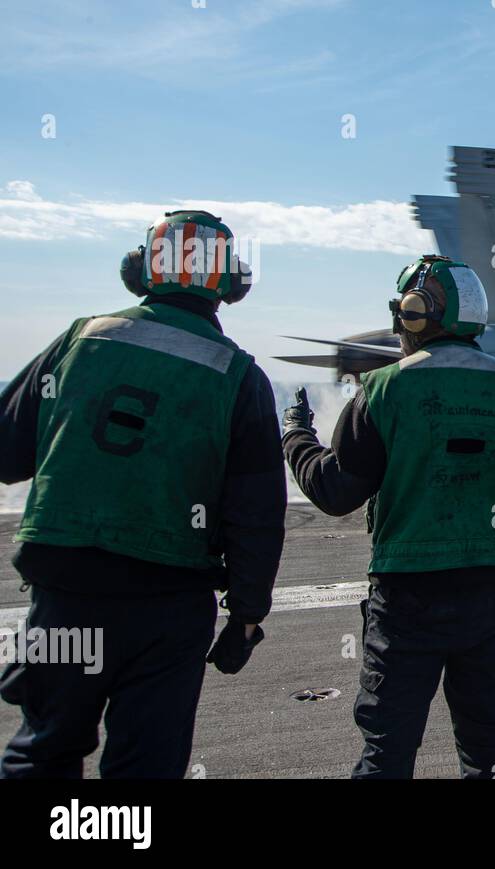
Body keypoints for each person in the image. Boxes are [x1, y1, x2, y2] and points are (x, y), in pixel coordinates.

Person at [0, 210, 285, 778]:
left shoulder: (82, 339)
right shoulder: (238, 375)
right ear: (231, 286)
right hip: (169, 604)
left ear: (141, 270)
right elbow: (256, 516)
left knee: (45, 750)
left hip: (65, 593)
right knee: (146, 767)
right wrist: (246, 617)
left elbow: (7, 454)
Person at [282, 254, 495, 779]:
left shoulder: (382, 389)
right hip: (492, 598)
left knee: (388, 751)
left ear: (414, 315)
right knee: (490, 747)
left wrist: (296, 434)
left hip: (407, 601)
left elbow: (335, 492)